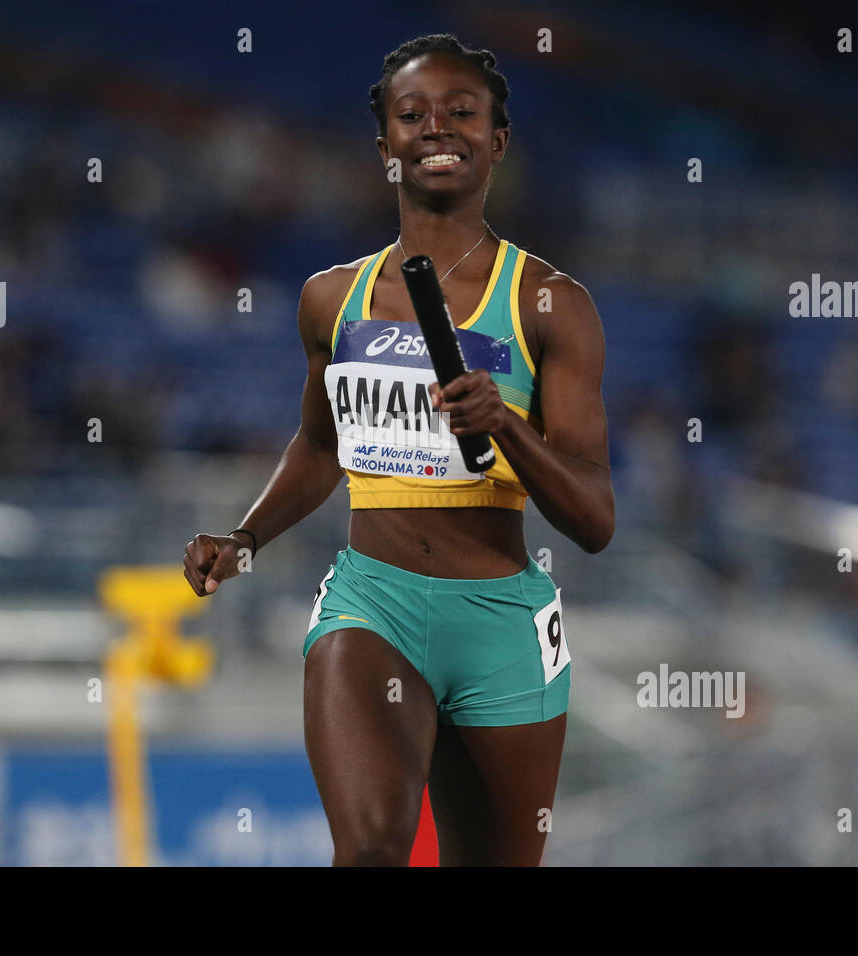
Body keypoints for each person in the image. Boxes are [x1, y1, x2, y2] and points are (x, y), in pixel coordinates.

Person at [184, 33, 615, 866]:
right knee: (375, 849)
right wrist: (245, 539)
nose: (436, 130)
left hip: (501, 622)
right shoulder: (330, 300)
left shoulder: (551, 305)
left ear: (498, 140)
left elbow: (594, 519)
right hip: (369, 605)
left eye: (462, 113)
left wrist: (507, 426)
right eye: (412, 116)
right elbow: (318, 447)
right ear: (385, 146)